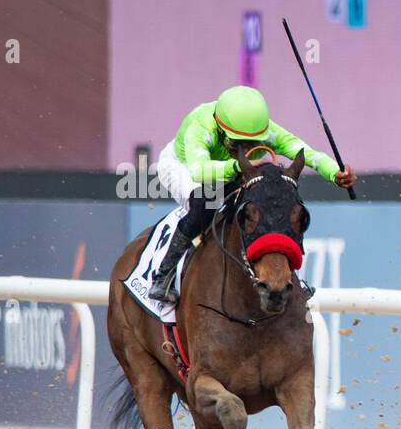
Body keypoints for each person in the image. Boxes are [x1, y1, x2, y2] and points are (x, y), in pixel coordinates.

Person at [148, 85, 358, 302]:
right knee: (205, 203)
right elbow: (199, 171)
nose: (248, 148)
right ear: (220, 128)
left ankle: (291, 276)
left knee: (271, 201)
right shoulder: (200, 128)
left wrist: (335, 172)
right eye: (239, 143)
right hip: (183, 166)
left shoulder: (266, 131)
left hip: (228, 168)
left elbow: (307, 154)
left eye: (253, 143)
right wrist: (239, 167)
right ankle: (163, 276)